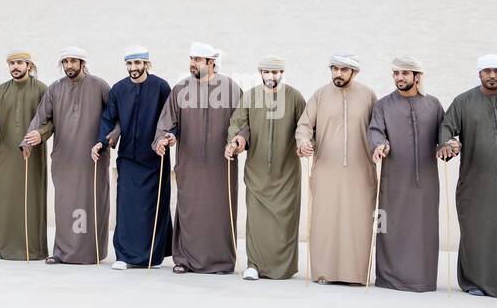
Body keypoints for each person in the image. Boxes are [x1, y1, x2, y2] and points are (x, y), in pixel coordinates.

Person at [438, 54, 497, 299]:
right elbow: (447, 127)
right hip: (475, 182)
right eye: (487, 70)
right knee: (476, 230)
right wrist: (448, 143)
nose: (492, 75)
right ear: (479, 73)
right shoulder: (464, 101)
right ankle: (474, 281)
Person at [154, 43, 242, 274]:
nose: (193, 63)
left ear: (212, 62)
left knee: (219, 212)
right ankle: (184, 260)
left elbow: (243, 124)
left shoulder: (231, 88)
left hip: (220, 166)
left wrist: (237, 142)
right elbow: (168, 123)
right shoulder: (181, 88)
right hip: (189, 164)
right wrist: (165, 139)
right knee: (189, 210)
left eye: (199, 59)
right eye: (191, 58)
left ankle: (221, 262)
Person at [294, 52, 377, 285]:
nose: (337, 74)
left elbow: (378, 128)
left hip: (360, 172)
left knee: (358, 223)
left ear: (354, 72)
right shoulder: (320, 95)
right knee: (325, 222)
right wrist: (303, 143)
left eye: (343, 69)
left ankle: (356, 275)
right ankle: (324, 273)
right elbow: (304, 125)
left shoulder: (368, 95)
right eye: (334, 69)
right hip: (326, 170)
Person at [24, 48, 112, 264]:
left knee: (91, 204)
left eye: (73, 61)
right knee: (65, 206)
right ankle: (62, 253)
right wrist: (28, 138)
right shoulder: (55, 89)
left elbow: (114, 118)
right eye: (65, 62)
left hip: (93, 158)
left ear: (83, 62)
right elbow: (41, 118)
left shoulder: (99, 86)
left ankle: (92, 253)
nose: (69, 66)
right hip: (64, 158)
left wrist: (107, 141)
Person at [225, 55, 306, 280]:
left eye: (276, 72)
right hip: (257, 172)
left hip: (286, 173)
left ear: (282, 73)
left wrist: (305, 144)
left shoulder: (295, 97)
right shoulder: (250, 97)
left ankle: (284, 268)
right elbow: (238, 125)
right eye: (268, 72)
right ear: (261, 73)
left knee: (285, 224)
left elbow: (305, 127)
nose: (272, 76)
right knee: (257, 222)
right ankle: (254, 265)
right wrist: (237, 142)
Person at [368, 57, 444, 293]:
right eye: (396, 73)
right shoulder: (383, 105)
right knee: (390, 226)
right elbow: (375, 130)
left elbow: (444, 132)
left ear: (417, 77)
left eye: (405, 73)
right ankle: (390, 278)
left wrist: (448, 145)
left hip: (427, 180)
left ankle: (423, 280)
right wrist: (380, 145)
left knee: (424, 229)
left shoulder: (433, 105)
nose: (399, 78)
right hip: (395, 179)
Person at [94, 47, 172, 269]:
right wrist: (101, 142)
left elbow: (169, 117)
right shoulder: (118, 89)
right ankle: (124, 256)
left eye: (137, 63)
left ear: (146, 64)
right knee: (126, 207)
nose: (133, 68)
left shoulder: (161, 87)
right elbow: (109, 119)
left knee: (152, 208)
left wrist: (168, 137)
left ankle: (151, 256)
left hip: (155, 158)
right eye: (129, 64)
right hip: (127, 157)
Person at [0, 50, 48, 260]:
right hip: (6, 152)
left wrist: (40, 135)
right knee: (4, 199)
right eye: (12, 63)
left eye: (19, 63)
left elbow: (50, 120)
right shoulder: (1, 90)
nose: (15, 67)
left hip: (32, 154)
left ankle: (33, 248)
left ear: (29, 65)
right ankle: (2, 248)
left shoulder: (41, 89)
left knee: (30, 198)